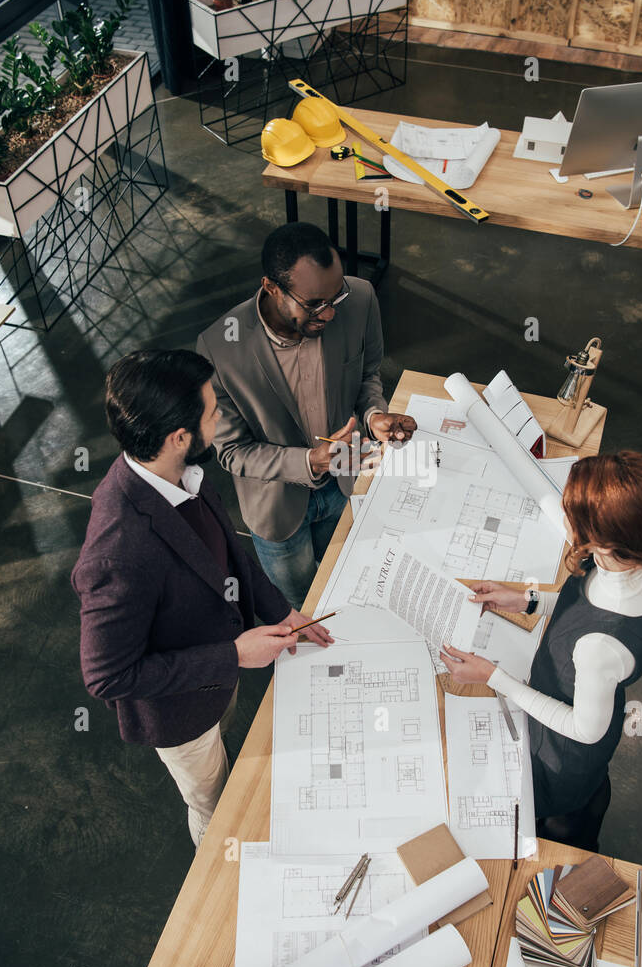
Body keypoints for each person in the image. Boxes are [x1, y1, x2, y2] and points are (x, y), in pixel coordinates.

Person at [71, 349, 333, 850]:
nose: (221, 418)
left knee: (226, 740)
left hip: (217, 681)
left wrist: (283, 612)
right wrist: (233, 655)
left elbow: (231, 555)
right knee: (214, 805)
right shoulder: (116, 554)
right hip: (179, 717)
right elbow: (107, 677)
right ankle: (221, 874)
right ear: (179, 437)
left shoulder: (179, 472)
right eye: (213, 412)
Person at [440, 451, 642, 852]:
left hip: (561, 752)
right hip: (579, 695)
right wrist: (527, 601)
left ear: (603, 541)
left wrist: (493, 678)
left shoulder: (600, 646)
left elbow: (585, 730)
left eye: (572, 514)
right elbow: (582, 604)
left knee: (554, 825)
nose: (565, 519)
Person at [197, 222, 416, 609]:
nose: (330, 313)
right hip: (278, 512)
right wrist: (309, 461)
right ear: (271, 288)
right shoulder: (218, 349)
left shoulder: (361, 299)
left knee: (350, 583)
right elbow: (232, 451)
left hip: (346, 484)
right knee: (304, 606)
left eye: (336, 297)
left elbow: (367, 376)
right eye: (314, 304)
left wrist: (374, 417)